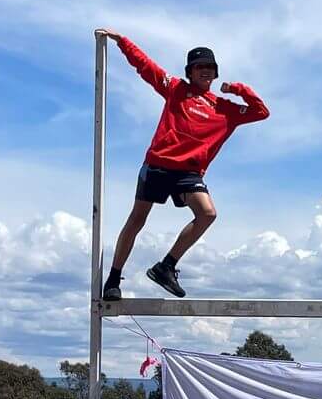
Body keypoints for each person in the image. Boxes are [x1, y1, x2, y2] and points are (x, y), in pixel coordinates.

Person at [97, 31, 269, 301]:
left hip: (188, 173)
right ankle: (113, 279)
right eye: (200, 67)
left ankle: (166, 266)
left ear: (215, 73)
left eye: (210, 67)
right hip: (158, 164)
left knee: (207, 214)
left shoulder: (225, 109)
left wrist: (236, 89)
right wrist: (122, 42)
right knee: (137, 219)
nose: (205, 71)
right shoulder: (176, 88)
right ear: (190, 71)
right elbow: (146, 66)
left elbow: (261, 111)